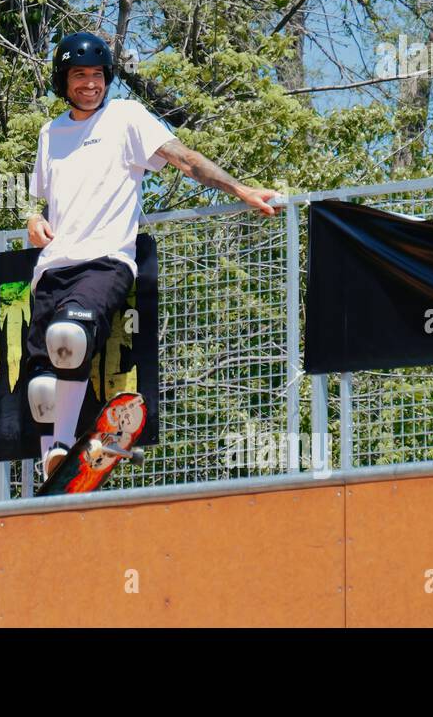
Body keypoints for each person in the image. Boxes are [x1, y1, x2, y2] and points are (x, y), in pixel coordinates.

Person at [24, 32, 281, 477]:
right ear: (63, 81)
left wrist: (240, 189)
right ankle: (53, 460)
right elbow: (41, 200)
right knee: (42, 385)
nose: (90, 83)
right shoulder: (51, 133)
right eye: (79, 75)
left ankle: (63, 442)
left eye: (98, 75)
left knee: (71, 337)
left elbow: (185, 159)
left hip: (105, 260)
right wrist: (32, 218)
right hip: (51, 267)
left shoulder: (126, 117)